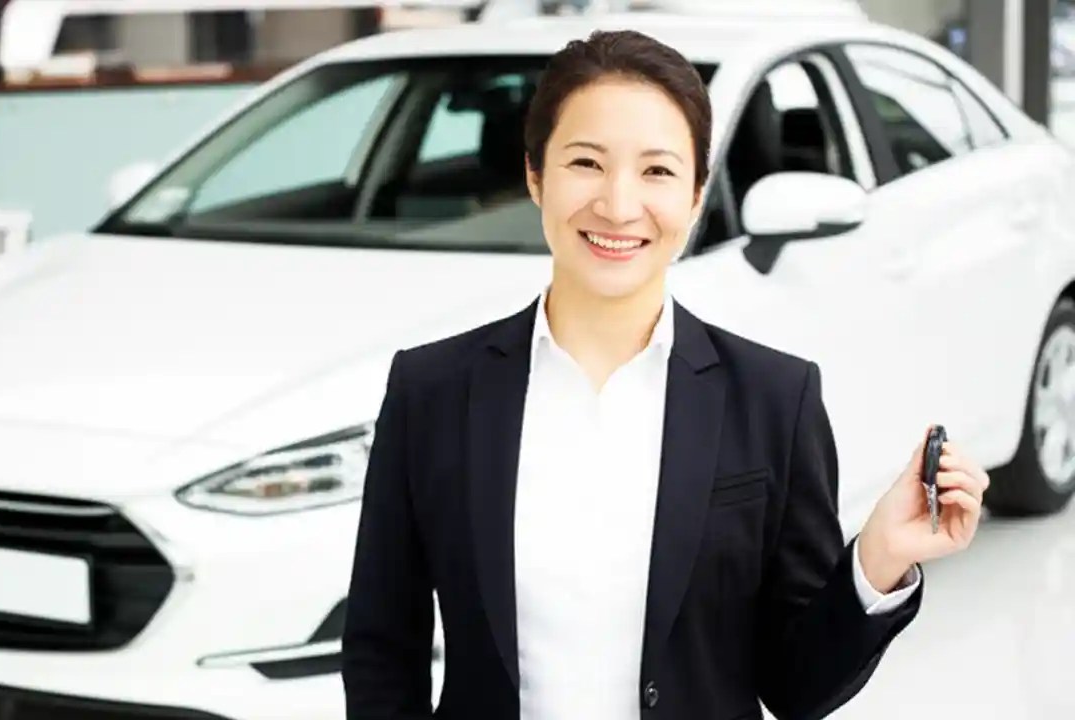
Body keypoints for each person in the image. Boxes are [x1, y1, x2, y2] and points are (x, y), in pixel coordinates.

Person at [341, 29, 990, 720]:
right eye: (587, 162)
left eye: (657, 171)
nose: (619, 206)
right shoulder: (433, 392)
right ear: (536, 176)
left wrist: (878, 558)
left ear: (696, 193)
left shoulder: (775, 400)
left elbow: (798, 687)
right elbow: (384, 649)